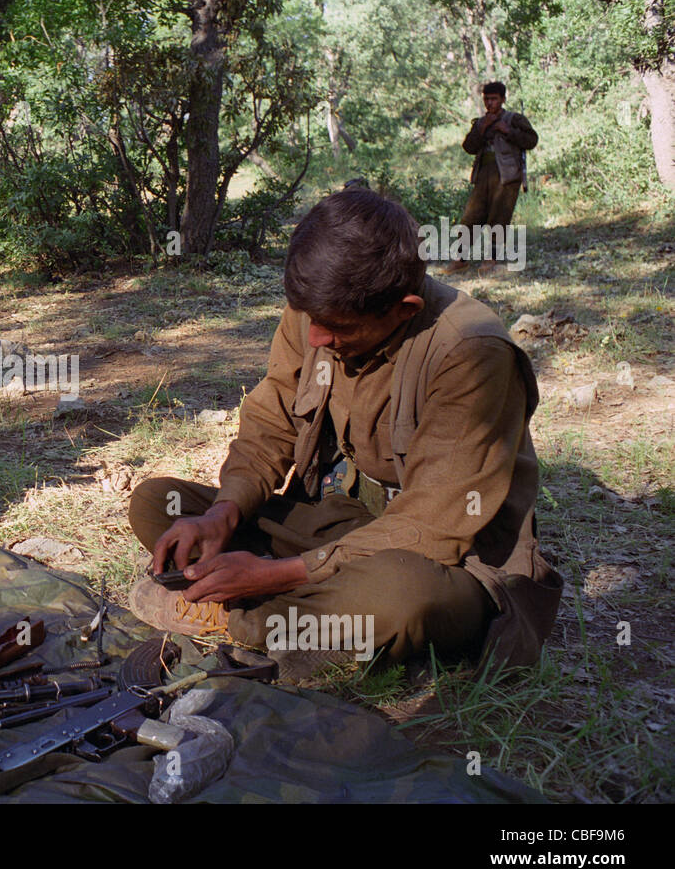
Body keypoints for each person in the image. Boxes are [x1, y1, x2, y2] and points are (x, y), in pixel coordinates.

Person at [126, 188, 562, 680]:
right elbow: (272, 422)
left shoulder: (470, 351)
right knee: (156, 502)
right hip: (336, 523)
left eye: (337, 328)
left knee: (399, 598)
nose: (315, 339)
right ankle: (290, 603)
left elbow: (434, 528)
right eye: (311, 320)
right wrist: (224, 516)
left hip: (447, 557)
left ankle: (243, 616)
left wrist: (277, 572)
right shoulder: (321, 309)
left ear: (403, 308)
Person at [448, 81, 538, 273]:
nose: (490, 103)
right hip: (483, 175)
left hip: (507, 176)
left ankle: (491, 259)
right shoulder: (480, 122)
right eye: (487, 99)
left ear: (503, 99)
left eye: (494, 99)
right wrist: (482, 129)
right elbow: (469, 147)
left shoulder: (514, 119)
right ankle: (460, 259)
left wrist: (509, 131)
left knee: (499, 219)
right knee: (471, 217)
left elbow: (531, 140)